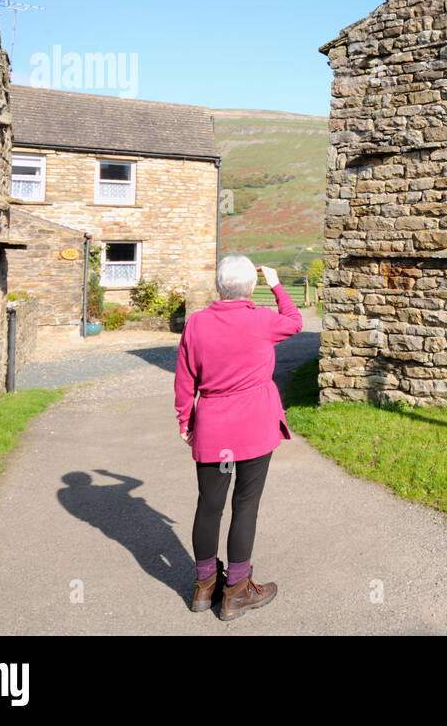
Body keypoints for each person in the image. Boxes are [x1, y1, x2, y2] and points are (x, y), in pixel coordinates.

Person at [174, 254, 302, 620]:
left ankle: (204, 588)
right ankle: (237, 591)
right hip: (255, 428)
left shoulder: (197, 324)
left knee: (209, 506)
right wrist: (276, 284)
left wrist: (185, 420)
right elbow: (294, 321)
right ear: (251, 287)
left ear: (218, 286)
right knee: (245, 504)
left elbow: (185, 379)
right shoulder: (262, 319)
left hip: (213, 429)